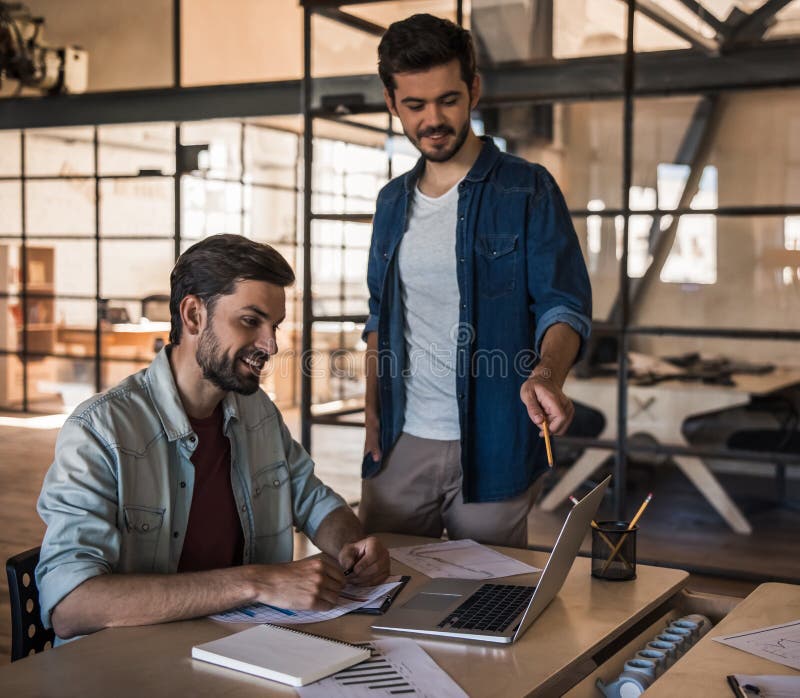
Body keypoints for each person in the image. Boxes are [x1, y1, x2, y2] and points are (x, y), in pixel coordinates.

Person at [36, 234, 389, 641]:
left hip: (239, 647)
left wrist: (352, 547)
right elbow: (71, 606)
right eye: (250, 321)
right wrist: (257, 582)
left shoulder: (257, 411)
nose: (271, 345)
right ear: (193, 316)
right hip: (129, 661)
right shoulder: (98, 431)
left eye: (274, 326)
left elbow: (312, 500)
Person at [360, 14, 592, 547]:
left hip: (496, 442)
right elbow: (378, 318)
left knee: (489, 590)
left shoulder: (527, 189)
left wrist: (548, 376)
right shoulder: (391, 202)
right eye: (415, 105)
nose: (433, 119)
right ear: (391, 101)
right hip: (400, 443)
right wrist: (372, 415)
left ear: (474, 90)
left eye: (448, 100)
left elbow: (563, 304)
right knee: (382, 584)